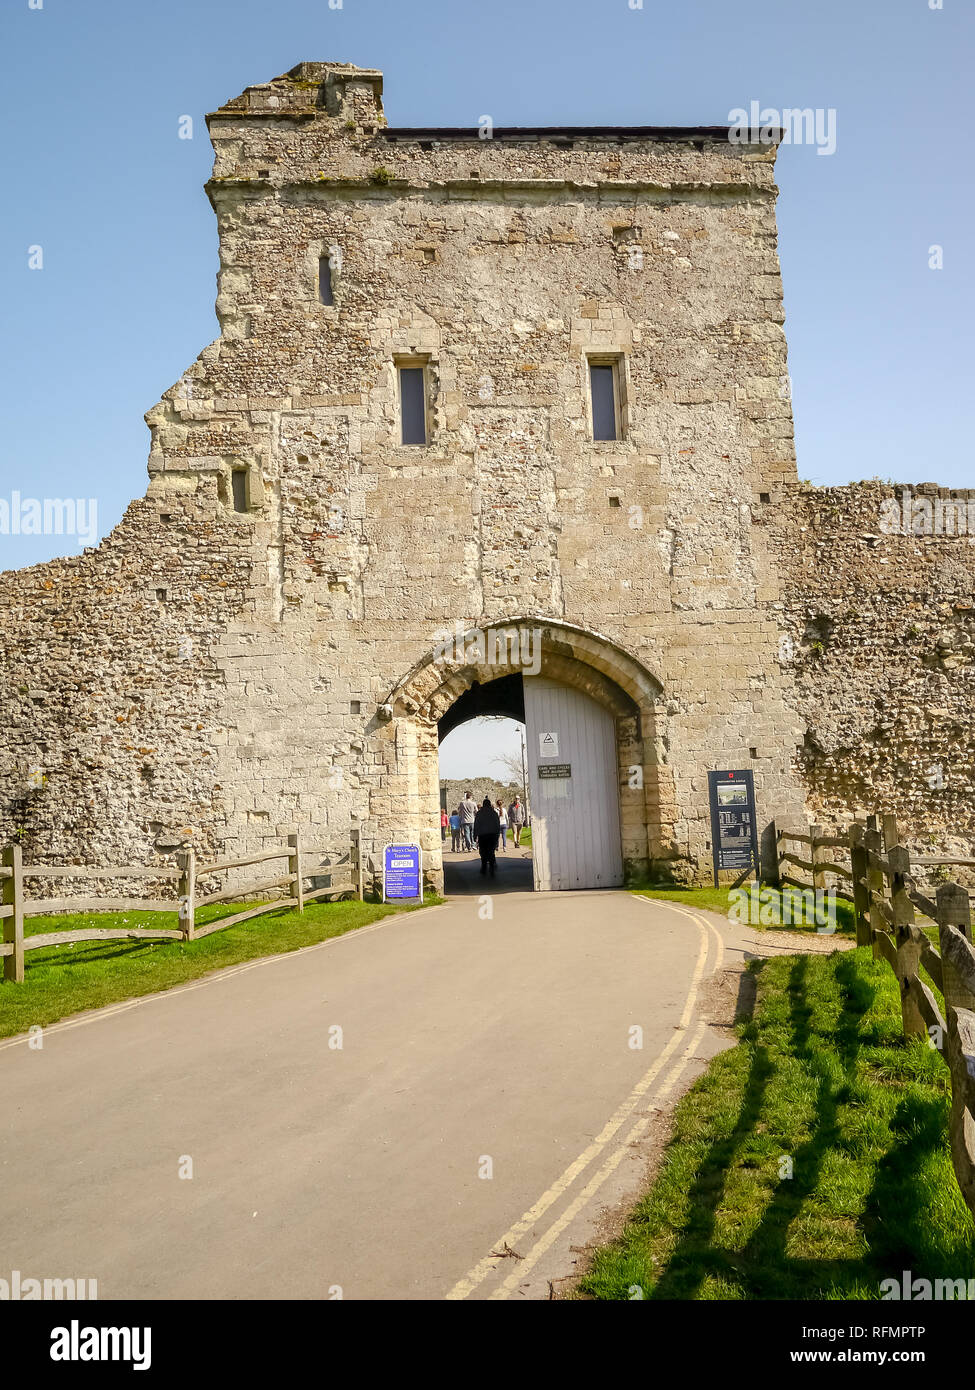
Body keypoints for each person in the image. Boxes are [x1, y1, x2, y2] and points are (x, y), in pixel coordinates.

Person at [473, 796, 501, 877]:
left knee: (483, 851)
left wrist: (475, 835)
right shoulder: (494, 813)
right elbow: (497, 825)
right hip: (492, 835)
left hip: (483, 835)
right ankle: (491, 868)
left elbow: (476, 825)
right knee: (491, 852)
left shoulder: (479, 813)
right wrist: (497, 835)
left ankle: (484, 867)